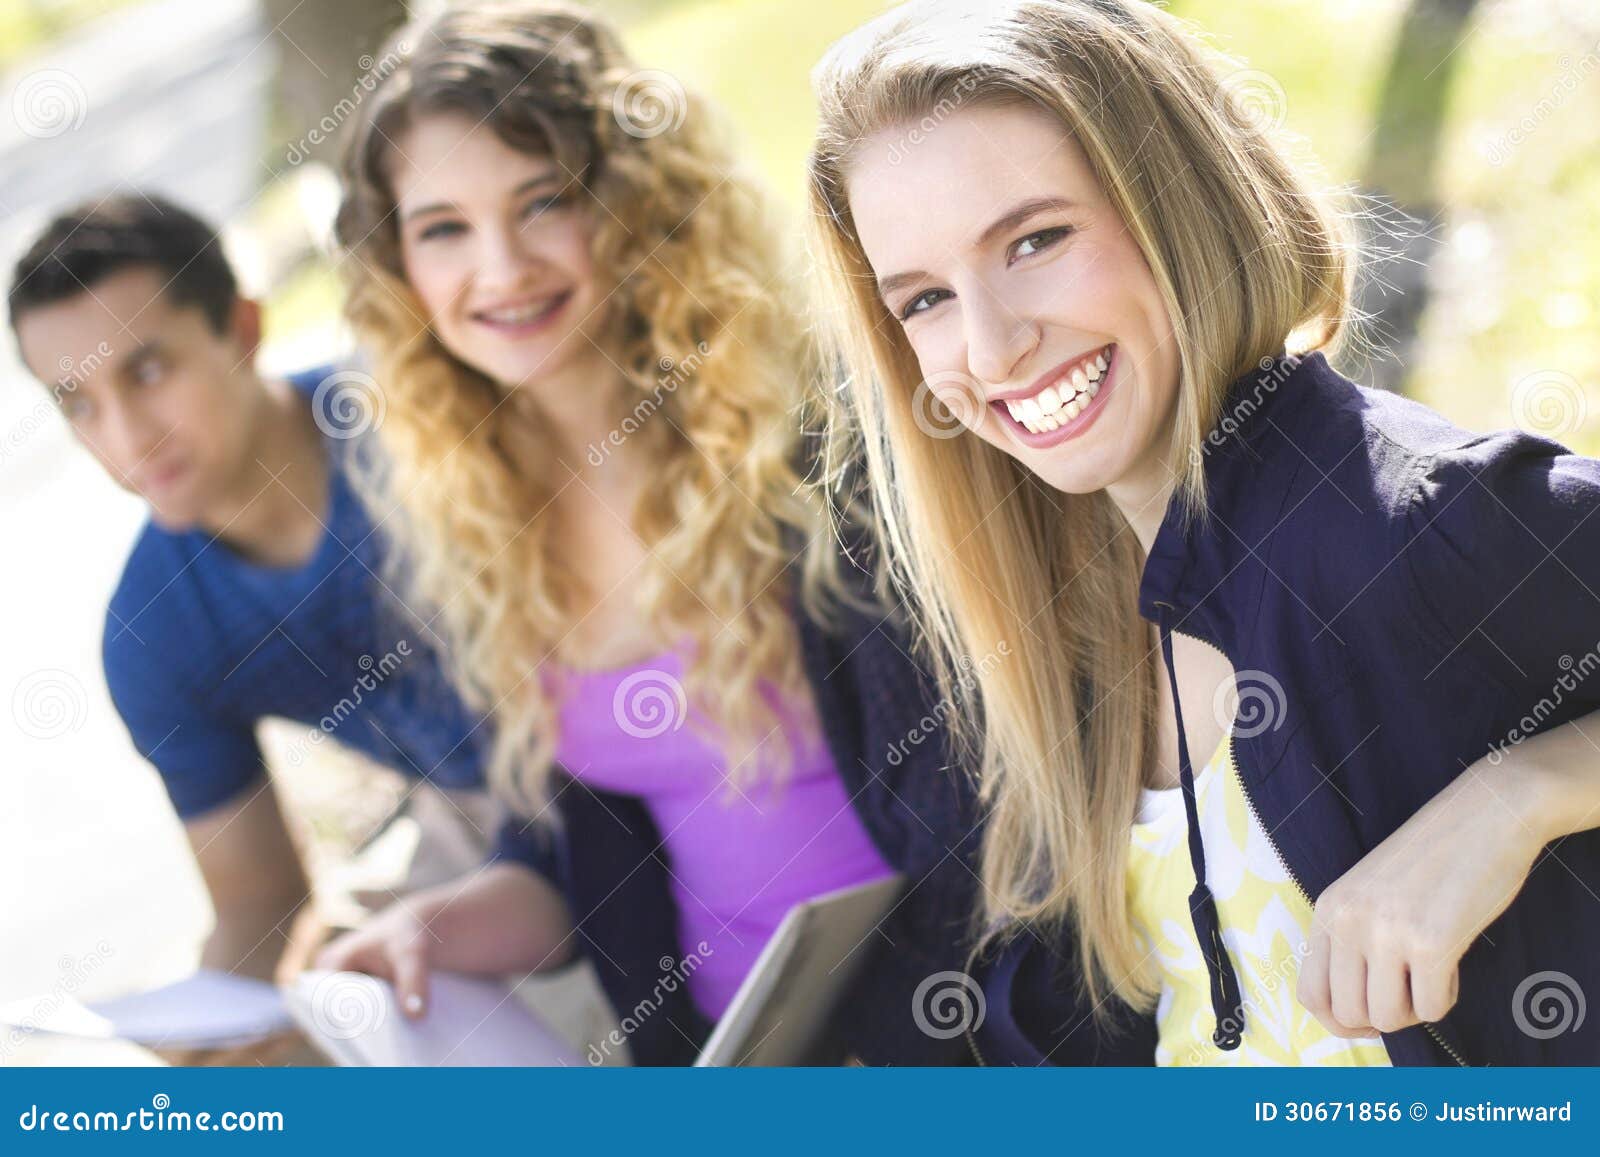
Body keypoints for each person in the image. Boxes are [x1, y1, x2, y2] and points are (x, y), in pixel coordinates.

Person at [805, 0, 1600, 1065]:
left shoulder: (1407, 524)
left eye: (1036, 240)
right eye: (925, 299)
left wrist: (1520, 795)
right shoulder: (1064, 615)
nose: (990, 348)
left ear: (1180, 203)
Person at [315, 0, 980, 1065]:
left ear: (629, 204)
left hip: (962, 1032)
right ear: (397, 265)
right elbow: (568, 864)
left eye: (544, 202)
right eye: (442, 227)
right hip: (722, 1054)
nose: (500, 267)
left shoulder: (817, 449)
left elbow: (1002, 773)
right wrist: (426, 927)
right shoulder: (477, 519)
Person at [8, 195, 494, 983]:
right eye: (80, 404)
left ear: (240, 329)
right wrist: (210, 1027)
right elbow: (261, 900)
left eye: (149, 369)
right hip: (481, 832)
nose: (127, 437)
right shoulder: (154, 632)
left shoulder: (422, 417)